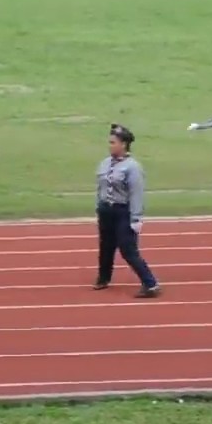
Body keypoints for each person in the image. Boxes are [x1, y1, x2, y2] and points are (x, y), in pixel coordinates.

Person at [92, 124, 161, 298]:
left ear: (123, 144)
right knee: (106, 246)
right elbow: (100, 187)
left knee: (127, 249)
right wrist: (99, 205)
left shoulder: (132, 167)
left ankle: (150, 283)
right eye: (109, 142)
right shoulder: (104, 163)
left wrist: (136, 218)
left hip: (123, 211)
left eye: (113, 142)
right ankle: (103, 278)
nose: (110, 145)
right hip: (106, 210)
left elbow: (136, 193)